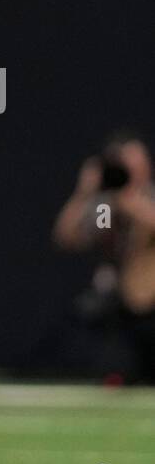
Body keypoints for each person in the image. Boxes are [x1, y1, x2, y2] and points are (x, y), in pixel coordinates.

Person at [52, 132, 155, 381]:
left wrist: (130, 203)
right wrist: (85, 193)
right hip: (118, 307)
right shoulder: (105, 206)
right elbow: (68, 237)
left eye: (140, 164)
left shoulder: (149, 197)